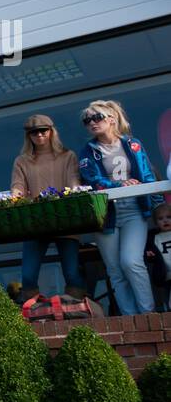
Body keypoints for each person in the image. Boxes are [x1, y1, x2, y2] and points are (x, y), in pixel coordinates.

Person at [76, 99, 164, 316]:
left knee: (131, 261)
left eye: (97, 117)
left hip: (135, 211)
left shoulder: (132, 144)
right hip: (106, 215)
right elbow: (91, 180)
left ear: (112, 119)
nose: (91, 123)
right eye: (87, 120)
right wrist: (118, 185)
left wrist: (158, 203)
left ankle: (148, 313)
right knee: (115, 270)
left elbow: (146, 175)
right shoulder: (88, 150)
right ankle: (129, 316)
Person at [9, 114, 86, 301]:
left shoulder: (68, 155)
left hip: (65, 218)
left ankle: (76, 311)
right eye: (33, 132)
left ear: (52, 131)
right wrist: (14, 198)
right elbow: (17, 186)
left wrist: (73, 193)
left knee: (72, 273)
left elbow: (74, 181)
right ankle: (34, 310)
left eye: (43, 130)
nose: (39, 135)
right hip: (36, 221)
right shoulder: (22, 160)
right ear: (28, 136)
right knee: (28, 276)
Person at [144, 202, 171, 311]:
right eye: (161, 219)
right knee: (166, 296)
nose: (165, 220)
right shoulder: (153, 238)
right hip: (166, 274)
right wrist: (149, 255)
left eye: (169, 217)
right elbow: (151, 256)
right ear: (155, 222)